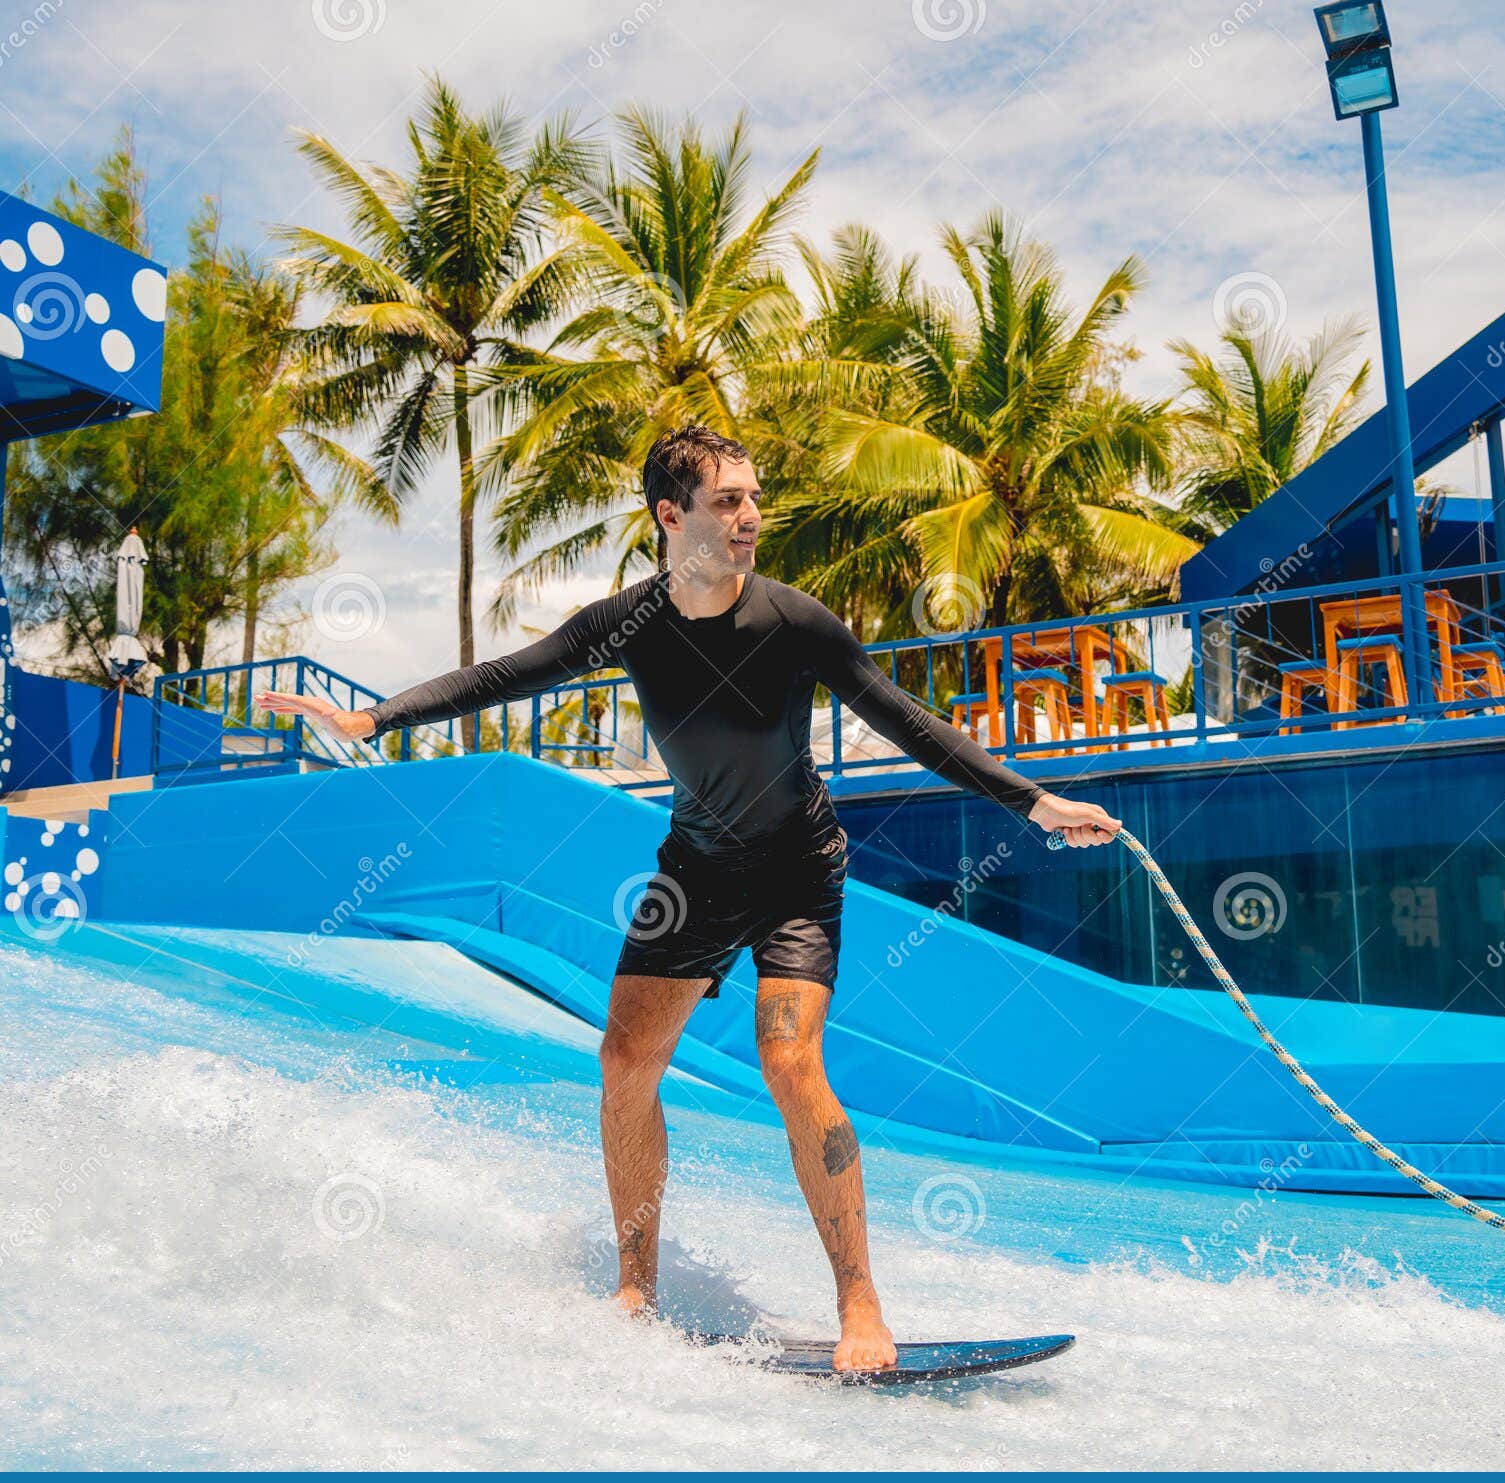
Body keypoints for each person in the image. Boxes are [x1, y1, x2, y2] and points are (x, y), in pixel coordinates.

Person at [256, 426, 1121, 1372]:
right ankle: (637, 1285)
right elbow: (506, 677)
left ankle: (861, 1305)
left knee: (790, 1062)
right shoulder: (625, 623)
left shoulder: (796, 622)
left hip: (797, 870)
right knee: (625, 1063)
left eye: (754, 498)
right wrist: (373, 716)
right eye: (727, 503)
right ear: (672, 517)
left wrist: (1035, 805)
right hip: (695, 874)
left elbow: (904, 720)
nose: (750, 518)